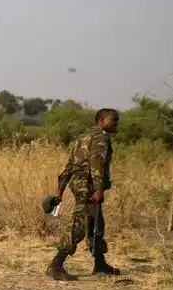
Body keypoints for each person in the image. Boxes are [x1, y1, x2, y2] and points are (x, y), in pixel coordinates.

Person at [46, 108, 120, 280]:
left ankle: (100, 264)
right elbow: (97, 165)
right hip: (88, 185)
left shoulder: (83, 137)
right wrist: (98, 189)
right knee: (80, 223)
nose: (117, 124)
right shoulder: (101, 137)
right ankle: (56, 265)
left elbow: (69, 166)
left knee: (96, 222)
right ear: (101, 120)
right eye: (113, 120)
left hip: (79, 183)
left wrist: (60, 191)